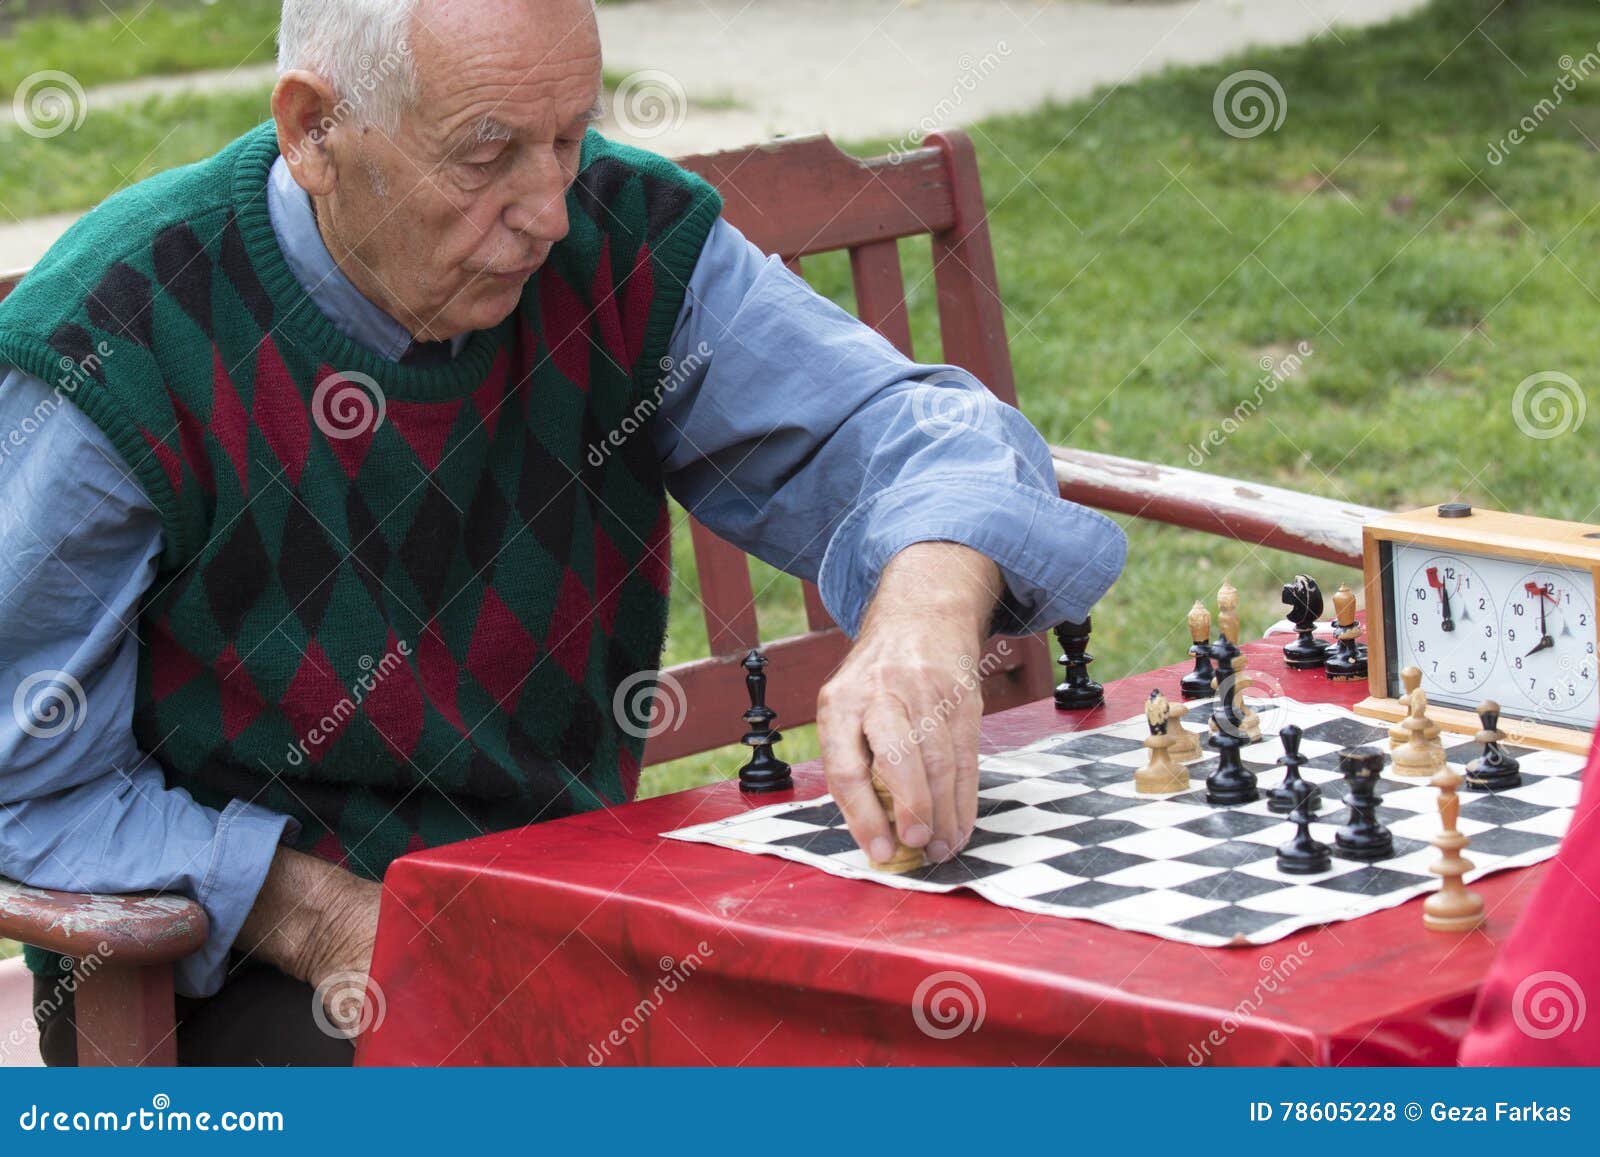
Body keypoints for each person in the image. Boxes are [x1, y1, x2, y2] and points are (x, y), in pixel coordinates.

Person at [0, 0, 1124, 1065]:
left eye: (569, 137)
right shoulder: (117, 337)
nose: (548, 209)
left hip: (563, 904)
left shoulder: (621, 242)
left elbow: (908, 427)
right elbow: (23, 778)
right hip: (219, 979)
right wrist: (318, 913)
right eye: (487, 155)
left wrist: (921, 612)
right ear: (314, 129)